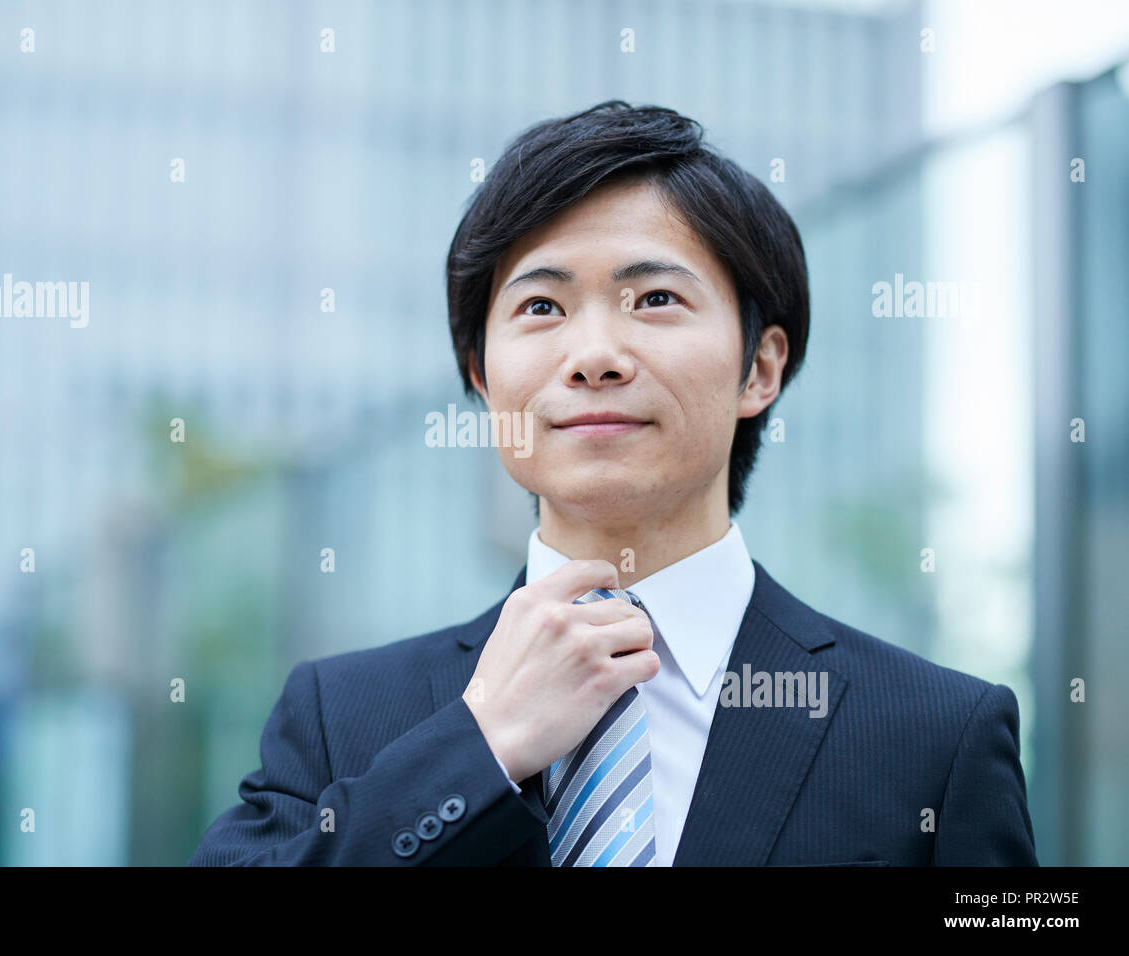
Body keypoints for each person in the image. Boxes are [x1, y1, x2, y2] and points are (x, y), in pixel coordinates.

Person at [188, 101, 1038, 866]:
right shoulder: (346, 714)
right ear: (482, 377)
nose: (593, 355)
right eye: (543, 309)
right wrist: (479, 745)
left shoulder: (931, 735)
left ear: (760, 368)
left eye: (656, 298)